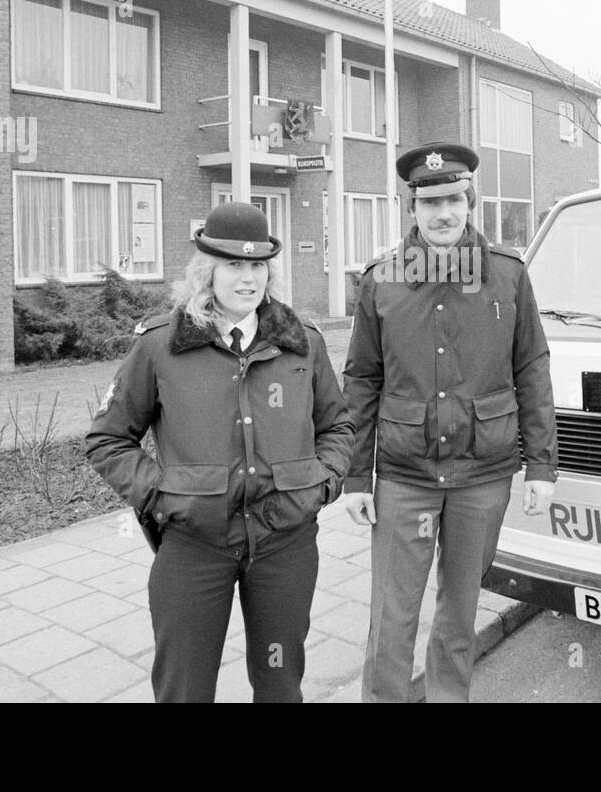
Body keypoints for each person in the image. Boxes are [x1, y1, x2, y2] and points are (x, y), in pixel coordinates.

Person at [86, 201, 353, 702]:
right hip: (194, 546)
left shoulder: (303, 343)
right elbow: (108, 439)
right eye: (233, 264)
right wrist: (162, 495)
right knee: (184, 688)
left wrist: (321, 485)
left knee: (280, 682)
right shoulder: (161, 346)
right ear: (206, 271)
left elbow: (337, 425)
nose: (248, 278)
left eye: (258, 265)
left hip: (285, 545)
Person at [343, 141, 557, 702]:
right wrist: (354, 477)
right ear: (411, 207)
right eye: (430, 202)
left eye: (454, 200)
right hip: (404, 475)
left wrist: (541, 466)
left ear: (470, 202)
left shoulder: (507, 275)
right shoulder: (382, 280)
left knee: (460, 614)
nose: (443, 214)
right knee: (392, 618)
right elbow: (361, 380)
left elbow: (532, 367)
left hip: (482, 475)